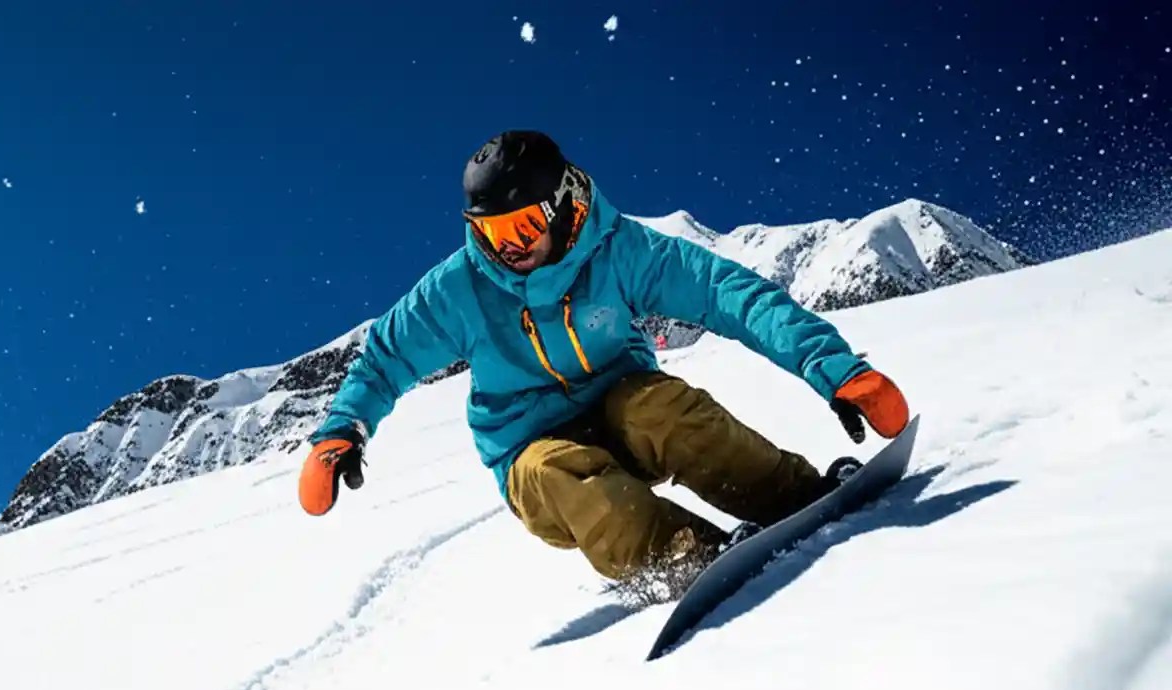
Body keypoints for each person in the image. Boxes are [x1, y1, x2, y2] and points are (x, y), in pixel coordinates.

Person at [298, 130, 909, 581]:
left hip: (625, 412)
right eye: (490, 233)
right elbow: (383, 360)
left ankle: (791, 496)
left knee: (665, 408)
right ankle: (685, 560)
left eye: (521, 227)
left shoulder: (618, 250)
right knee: (560, 472)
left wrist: (832, 366)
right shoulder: (458, 290)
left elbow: (730, 294)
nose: (507, 249)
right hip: (529, 448)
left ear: (564, 203)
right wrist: (340, 432)